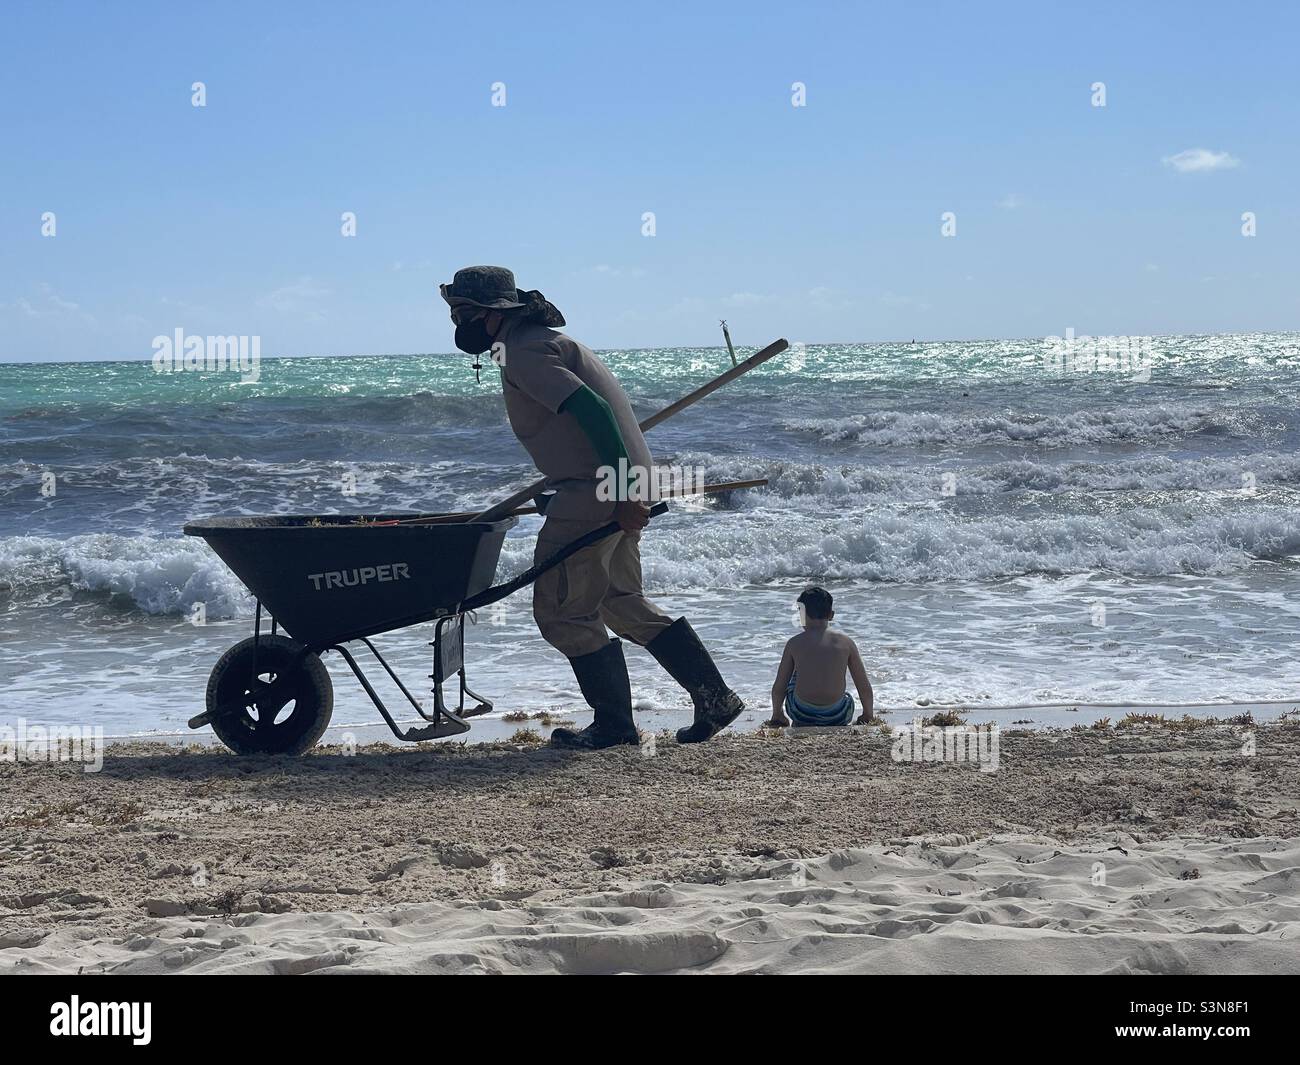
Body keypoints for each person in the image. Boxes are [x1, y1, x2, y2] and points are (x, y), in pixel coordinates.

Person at [440, 265, 744, 750]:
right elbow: (581, 427)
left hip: (601, 490)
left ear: (490, 315)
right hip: (608, 484)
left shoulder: (523, 353)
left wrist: (619, 493)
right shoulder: (543, 343)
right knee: (618, 602)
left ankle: (614, 726)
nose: (457, 323)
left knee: (562, 612)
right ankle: (715, 698)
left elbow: (593, 412)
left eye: (461, 312)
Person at [767, 586, 873, 728]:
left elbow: (779, 687)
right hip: (838, 713)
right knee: (846, 695)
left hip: (801, 712)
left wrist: (777, 714)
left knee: (794, 676)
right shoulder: (846, 643)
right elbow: (863, 685)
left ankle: (785, 715)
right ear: (831, 614)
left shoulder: (794, 643)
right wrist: (868, 714)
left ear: (802, 614)